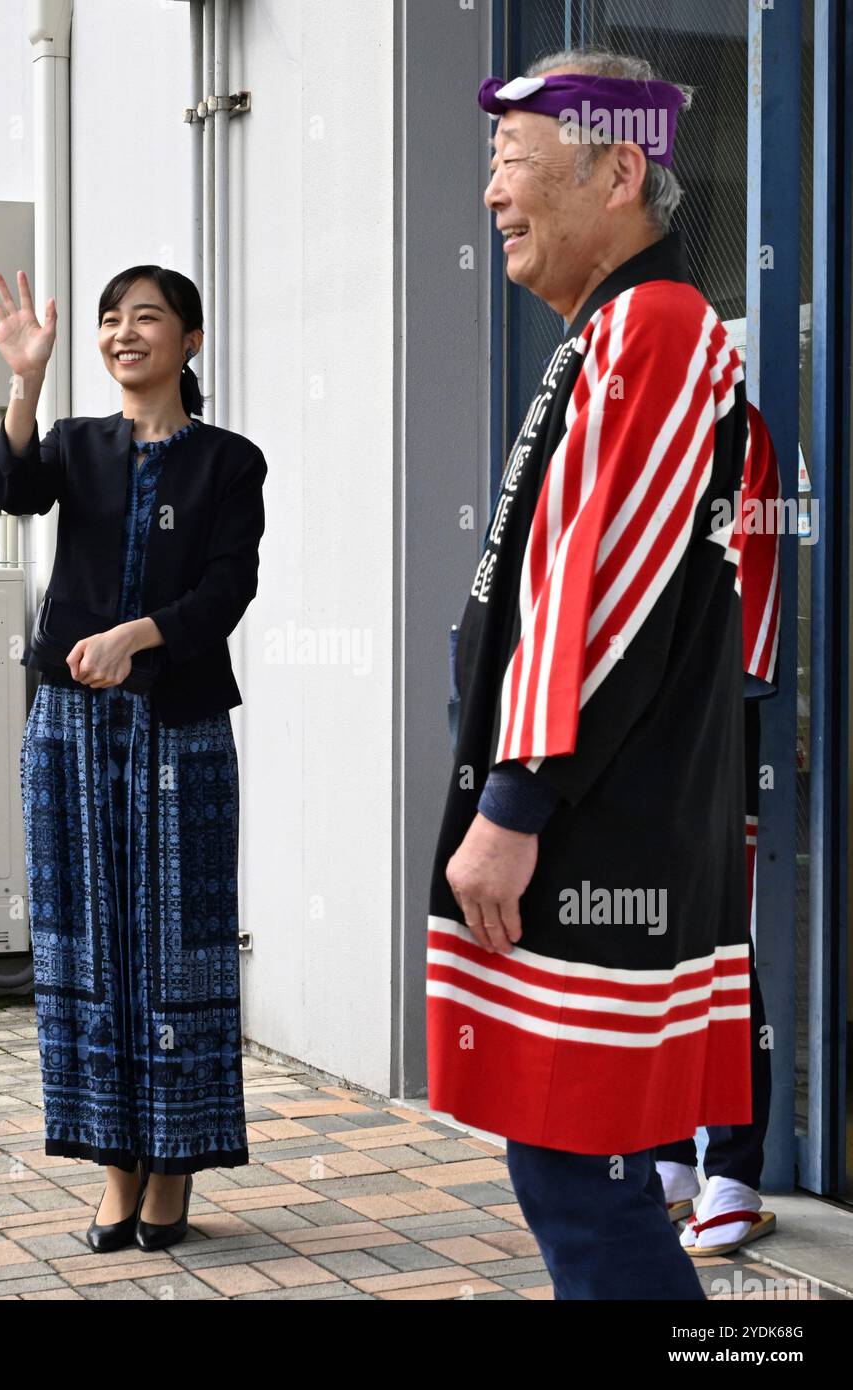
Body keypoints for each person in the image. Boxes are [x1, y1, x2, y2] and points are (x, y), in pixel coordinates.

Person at [426, 48, 759, 1299]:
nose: (493, 193)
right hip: (591, 815)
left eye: (513, 162)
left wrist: (516, 802)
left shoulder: (655, 327)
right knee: (580, 1173)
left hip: (593, 827)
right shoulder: (617, 331)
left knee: (586, 1173)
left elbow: (608, 590)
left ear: (619, 170)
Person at [0, 265, 267, 1254]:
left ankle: (174, 1167)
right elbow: (15, 492)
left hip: (180, 725)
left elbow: (227, 593)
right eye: (110, 318)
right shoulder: (77, 446)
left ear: (190, 340)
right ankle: (115, 1168)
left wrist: (137, 635)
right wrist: (24, 382)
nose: (123, 331)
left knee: (178, 944)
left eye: (147, 316)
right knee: (85, 947)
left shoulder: (230, 462)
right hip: (69, 728)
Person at [656, 401, 781, 1258]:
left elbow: (751, 575)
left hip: (702, 713)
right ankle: (663, 1152)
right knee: (638, 935)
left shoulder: (728, 421)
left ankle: (731, 1166)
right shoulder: (584, 410)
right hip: (601, 730)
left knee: (713, 940)